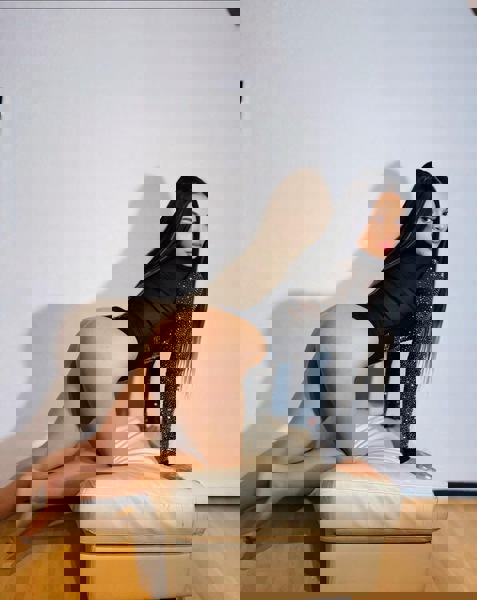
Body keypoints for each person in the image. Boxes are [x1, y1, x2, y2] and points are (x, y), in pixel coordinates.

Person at [0, 176, 209, 523]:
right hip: (116, 343)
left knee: (56, 453)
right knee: (85, 454)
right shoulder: (172, 308)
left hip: (112, 341)